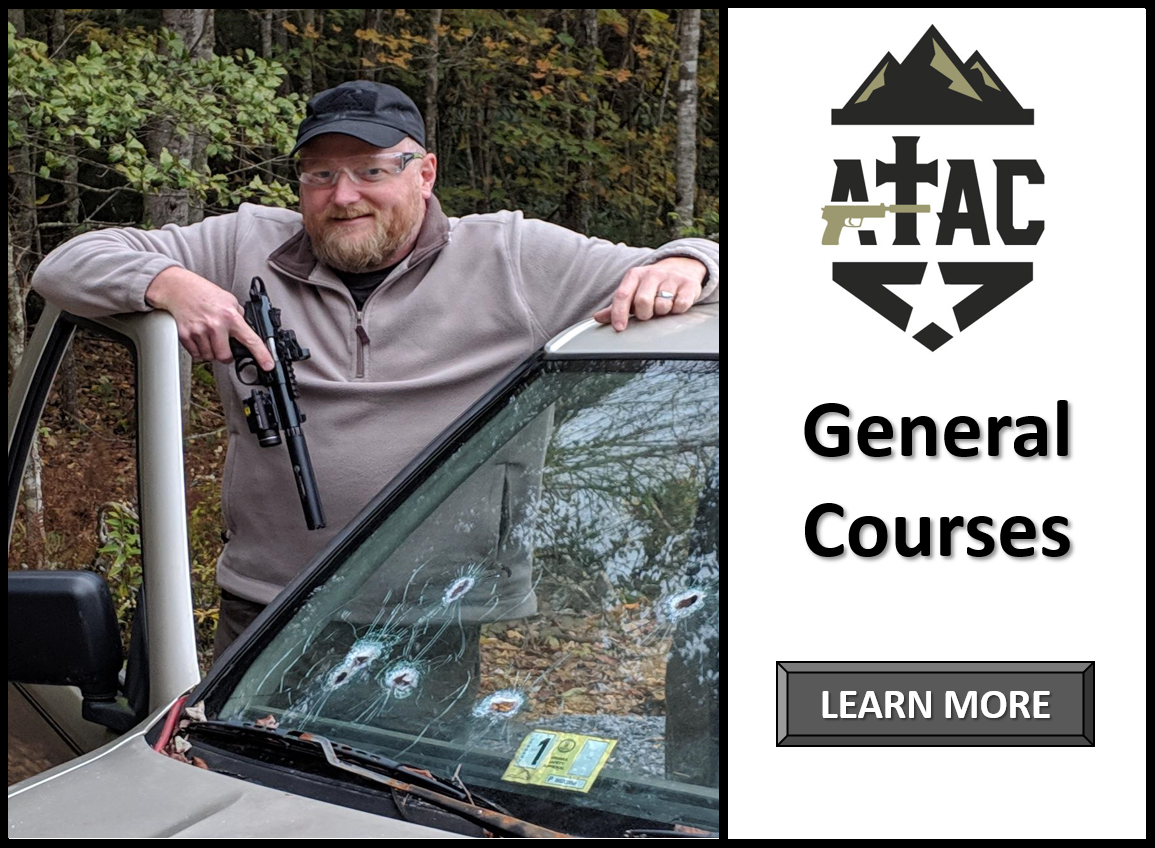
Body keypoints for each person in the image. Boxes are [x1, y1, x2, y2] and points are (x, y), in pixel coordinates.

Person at [30, 80, 721, 662]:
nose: (343, 195)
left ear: (424, 173)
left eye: (372, 170)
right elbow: (64, 266)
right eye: (320, 174)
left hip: (439, 614)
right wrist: (174, 283)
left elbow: (721, 274)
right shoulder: (242, 243)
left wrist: (686, 261)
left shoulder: (515, 258)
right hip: (268, 604)